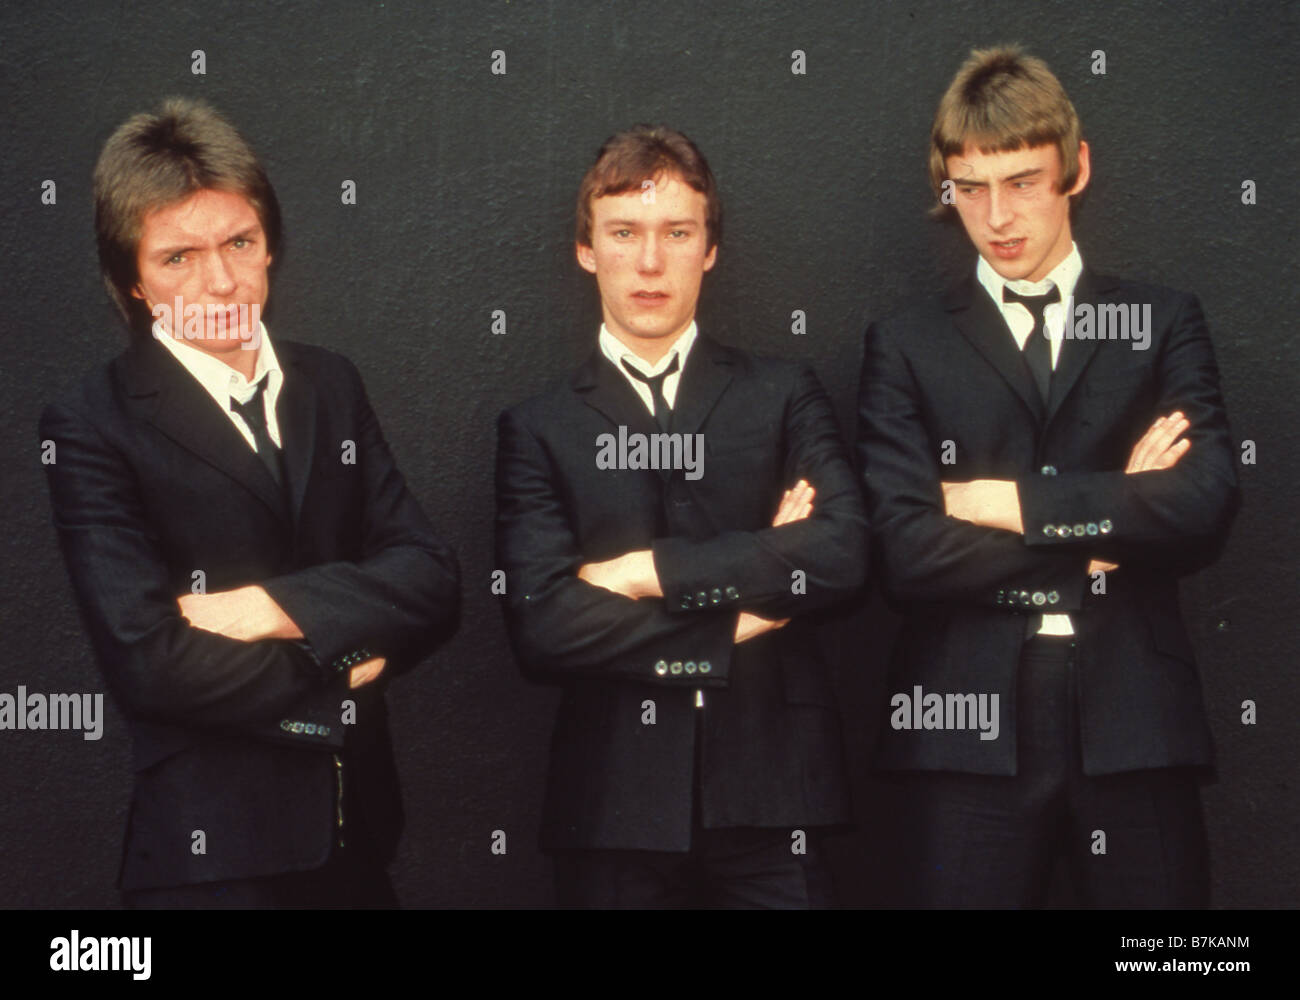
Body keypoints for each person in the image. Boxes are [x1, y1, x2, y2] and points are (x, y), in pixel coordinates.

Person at [39, 97, 459, 908]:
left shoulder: (330, 384)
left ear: (270, 246)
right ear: (132, 278)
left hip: (361, 843)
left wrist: (275, 605)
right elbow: (151, 665)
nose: (221, 282)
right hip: (213, 862)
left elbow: (434, 578)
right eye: (178, 257)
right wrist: (345, 667)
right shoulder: (92, 423)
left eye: (240, 242)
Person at [855, 45, 1239, 907]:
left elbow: (1205, 506)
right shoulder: (905, 342)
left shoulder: (1161, 321)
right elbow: (907, 551)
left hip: (1137, 722)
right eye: (970, 187)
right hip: (962, 731)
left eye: (1023, 180)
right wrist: (1108, 531)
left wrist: (1002, 504)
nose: (997, 216)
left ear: (1077, 168)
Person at [495, 124, 867, 908]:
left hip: (776, 800)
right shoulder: (538, 427)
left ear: (711, 248)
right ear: (586, 249)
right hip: (611, 807)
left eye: (677, 232)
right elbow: (543, 624)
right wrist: (745, 603)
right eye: (624, 233)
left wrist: (642, 573)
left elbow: (840, 554)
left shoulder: (783, 392)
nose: (651, 262)